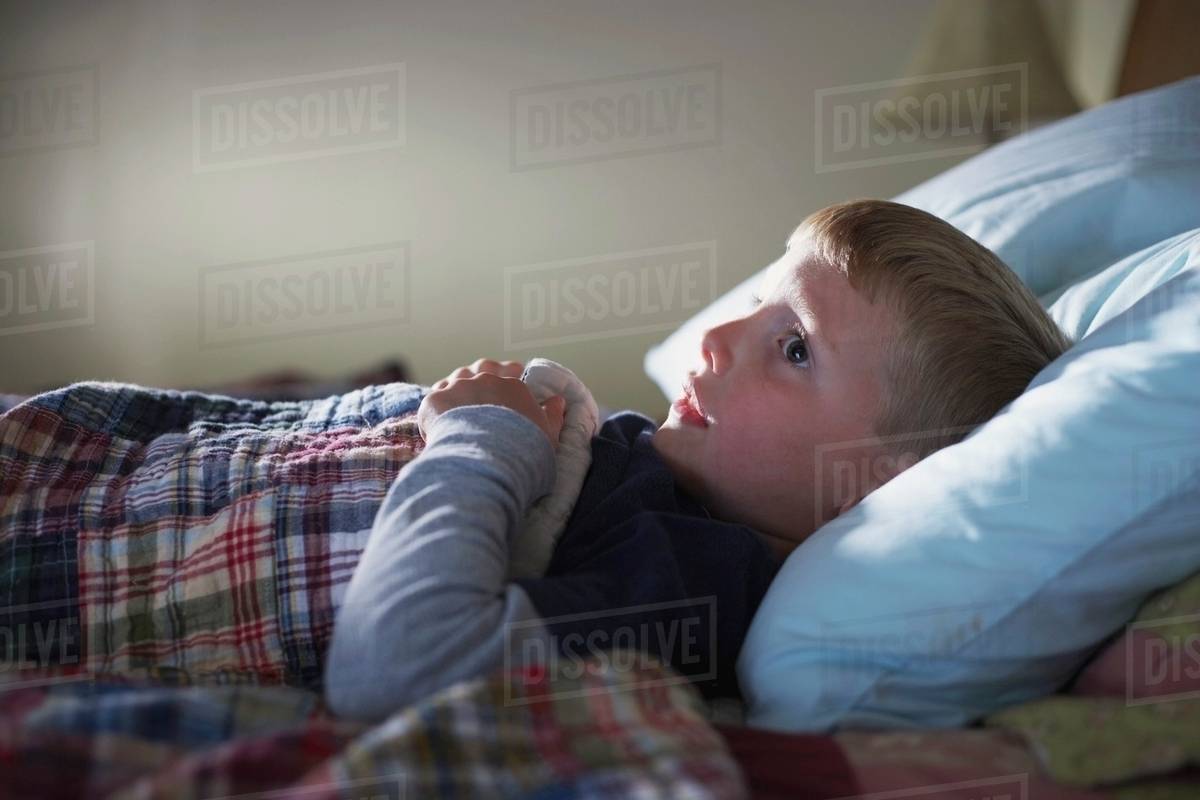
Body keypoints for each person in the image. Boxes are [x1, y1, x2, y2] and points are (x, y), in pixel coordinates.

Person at [325, 200, 1074, 720]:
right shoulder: (671, 480)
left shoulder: (694, 580)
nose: (716, 337)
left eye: (794, 348)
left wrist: (480, 438)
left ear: (877, 480)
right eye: (756, 300)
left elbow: (396, 668)